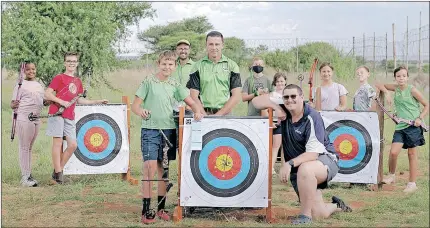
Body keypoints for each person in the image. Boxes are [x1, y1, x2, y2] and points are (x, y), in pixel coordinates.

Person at [252, 84, 352, 225]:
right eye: (286, 97)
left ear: (302, 98)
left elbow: (313, 154)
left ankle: (305, 217)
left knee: (306, 169)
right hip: (301, 167)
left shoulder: (312, 117)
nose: (290, 100)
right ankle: (337, 206)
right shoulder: (283, 105)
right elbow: (256, 101)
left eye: (294, 96)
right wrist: (276, 108)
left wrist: (289, 164)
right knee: (319, 213)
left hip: (324, 159)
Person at [131, 50, 203, 224]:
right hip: (150, 130)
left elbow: (191, 102)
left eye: (170, 64)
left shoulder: (175, 84)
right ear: (159, 64)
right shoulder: (149, 82)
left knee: (163, 170)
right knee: (149, 168)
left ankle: (161, 208)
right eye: (164, 63)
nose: (167, 67)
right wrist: (141, 111)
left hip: (169, 131)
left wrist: (198, 111)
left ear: (174, 66)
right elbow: (135, 106)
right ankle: (146, 210)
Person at [44, 52, 108, 184]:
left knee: (72, 145)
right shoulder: (59, 77)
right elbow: (47, 94)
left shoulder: (77, 81)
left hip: (69, 115)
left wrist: (97, 101)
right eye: (69, 61)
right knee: (58, 143)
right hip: (57, 113)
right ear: (64, 63)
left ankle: (57, 171)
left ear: (77, 64)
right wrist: (61, 102)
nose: (71, 63)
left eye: (74, 61)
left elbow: (79, 101)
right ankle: (59, 175)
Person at [375, 66, 428, 193]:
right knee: (393, 152)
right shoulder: (395, 88)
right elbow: (379, 84)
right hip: (400, 126)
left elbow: (427, 105)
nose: (401, 78)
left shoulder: (412, 90)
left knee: (412, 154)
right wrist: (387, 92)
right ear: (395, 78)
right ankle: (392, 175)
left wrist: (420, 118)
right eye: (398, 76)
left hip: (413, 126)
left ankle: (412, 183)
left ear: (407, 77)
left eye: (404, 76)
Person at [187, 31, 242, 115]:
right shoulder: (197, 66)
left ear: (222, 45)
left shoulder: (232, 66)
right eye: (211, 44)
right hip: (203, 114)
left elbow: (236, 96)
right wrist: (205, 116)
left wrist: (218, 115)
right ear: (206, 45)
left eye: (217, 44)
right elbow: (194, 96)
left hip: (225, 114)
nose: (214, 47)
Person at [10, 62, 45, 187]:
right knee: (24, 147)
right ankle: (25, 178)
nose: (31, 71)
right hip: (24, 118)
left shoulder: (38, 85)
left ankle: (28, 174)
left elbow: (42, 101)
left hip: (36, 118)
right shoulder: (20, 85)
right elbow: (13, 104)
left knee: (30, 148)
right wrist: (13, 105)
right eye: (28, 69)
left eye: (33, 69)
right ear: (24, 71)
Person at [172, 39, 194, 150]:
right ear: (177, 50)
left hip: (189, 108)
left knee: (189, 140)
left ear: (189, 50)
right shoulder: (171, 66)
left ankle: (187, 167)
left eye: (185, 48)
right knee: (175, 141)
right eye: (180, 48)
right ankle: (178, 167)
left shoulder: (196, 66)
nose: (183, 51)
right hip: (173, 108)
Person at [269, 72, 287, 174]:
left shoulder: (288, 94)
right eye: (278, 81)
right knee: (276, 146)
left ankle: (284, 168)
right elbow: (267, 110)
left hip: (287, 122)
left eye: (282, 81)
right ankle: (271, 168)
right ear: (275, 83)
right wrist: (271, 121)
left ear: (285, 82)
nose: (280, 83)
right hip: (276, 122)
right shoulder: (272, 95)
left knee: (285, 147)